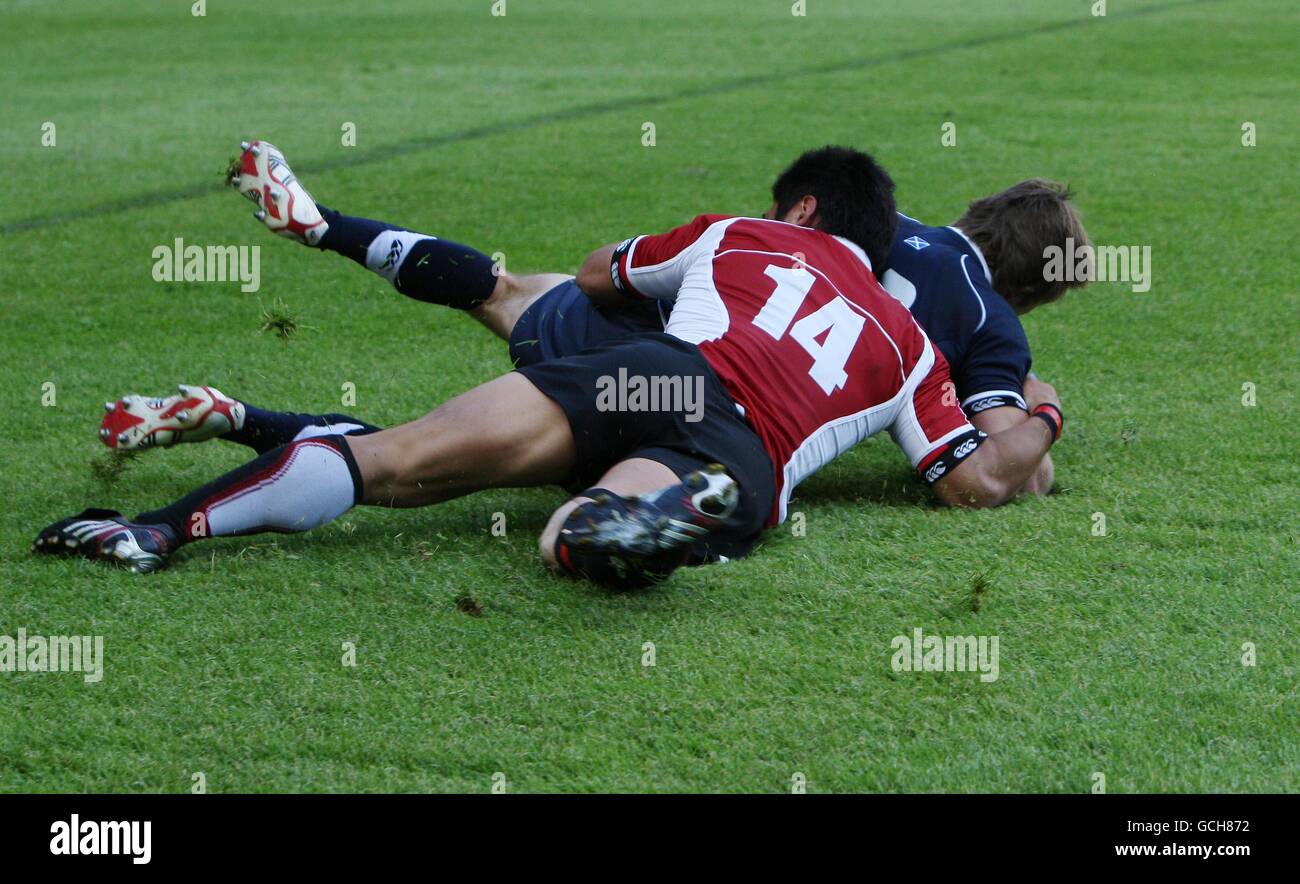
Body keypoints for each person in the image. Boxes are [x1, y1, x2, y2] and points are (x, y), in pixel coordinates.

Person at [36, 146, 1064, 587]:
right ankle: (653, 521)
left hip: (650, 372)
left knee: (392, 460)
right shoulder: (915, 346)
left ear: (801, 207)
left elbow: (594, 274)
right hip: (751, 452)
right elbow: (975, 482)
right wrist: (1045, 416)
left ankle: (157, 530)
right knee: (569, 538)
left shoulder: (749, 235)